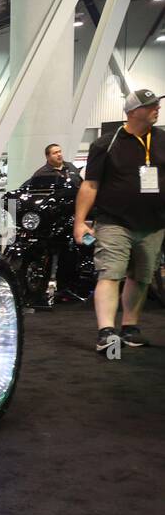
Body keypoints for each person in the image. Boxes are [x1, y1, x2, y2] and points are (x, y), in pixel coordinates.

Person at [73, 89, 165, 354]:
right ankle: (106, 332)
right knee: (110, 273)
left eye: (157, 105)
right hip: (114, 221)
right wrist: (80, 222)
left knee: (141, 277)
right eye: (150, 106)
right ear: (133, 111)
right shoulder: (106, 143)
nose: (156, 109)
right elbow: (90, 185)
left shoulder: (162, 140)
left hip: (154, 224)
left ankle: (129, 328)